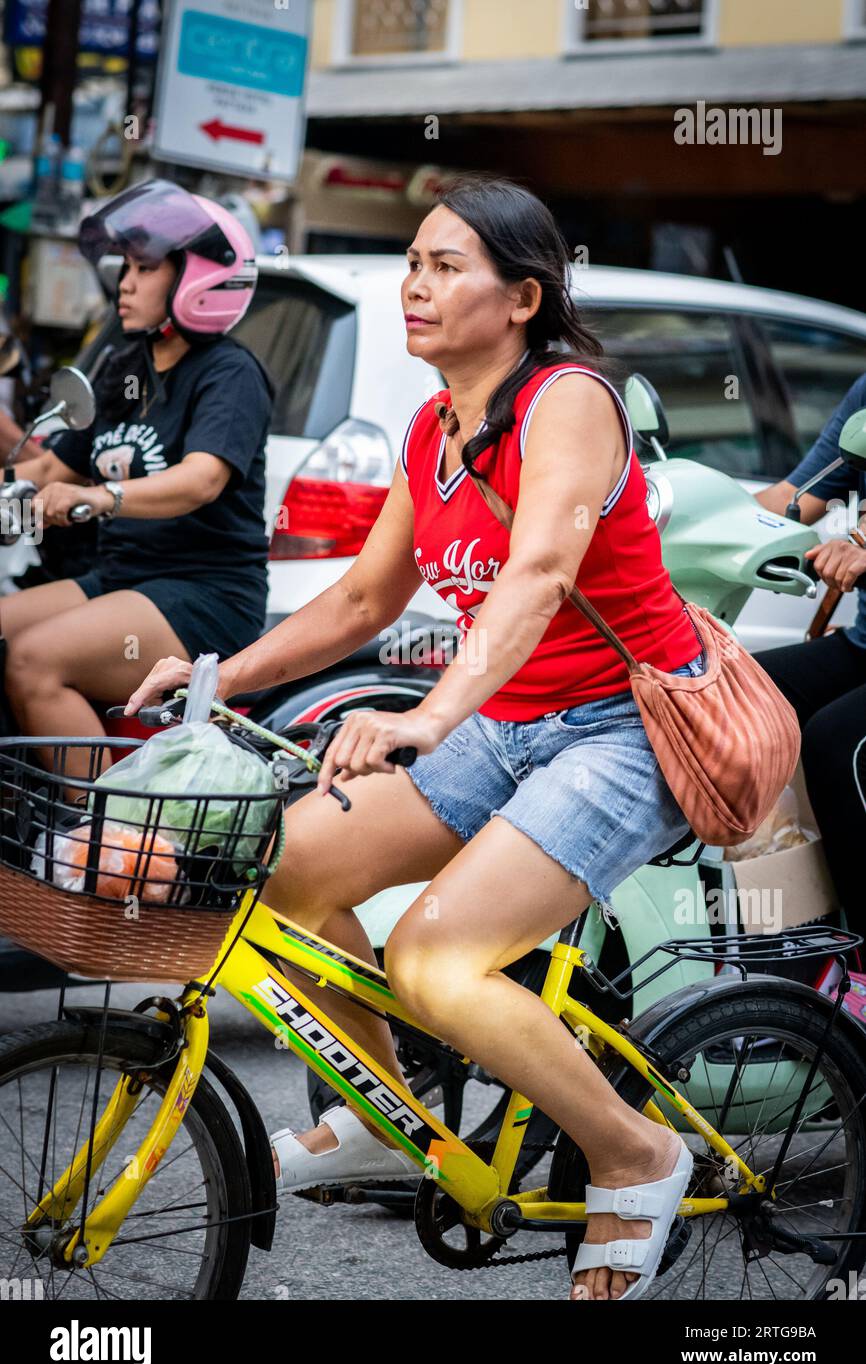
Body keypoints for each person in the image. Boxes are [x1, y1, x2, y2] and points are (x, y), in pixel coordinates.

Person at [126, 176, 707, 1302]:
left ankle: (634, 1154)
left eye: (447, 266)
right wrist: (214, 674)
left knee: (435, 956)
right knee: (278, 872)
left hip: (623, 730)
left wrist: (424, 719)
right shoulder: (433, 426)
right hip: (506, 722)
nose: (416, 284)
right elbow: (359, 602)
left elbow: (537, 575)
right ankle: (374, 1112)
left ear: (523, 296)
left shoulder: (568, 403)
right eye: (412, 263)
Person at [0, 179, 273, 776]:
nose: (124, 281)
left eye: (144, 267)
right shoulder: (125, 368)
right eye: (125, 265)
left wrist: (100, 498)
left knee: (33, 659)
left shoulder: (229, 374)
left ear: (198, 277)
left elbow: (201, 479)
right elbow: (50, 466)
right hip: (121, 579)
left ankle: (99, 842)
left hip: (203, 594)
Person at [753, 372, 866, 932]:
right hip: (861, 645)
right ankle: (778, 930)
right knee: (733, 693)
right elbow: (797, 500)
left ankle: (859, 961)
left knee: (834, 739)